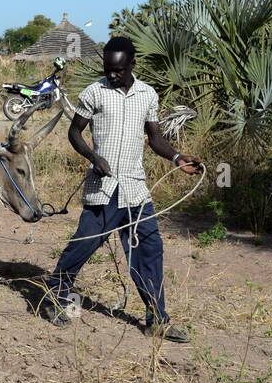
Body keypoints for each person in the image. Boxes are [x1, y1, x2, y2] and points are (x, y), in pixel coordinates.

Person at [45, 36, 202, 341]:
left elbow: (154, 139)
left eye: (117, 69)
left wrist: (177, 157)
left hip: (135, 189)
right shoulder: (95, 92)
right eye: (108, 69)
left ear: (132, 64)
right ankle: (53, 296)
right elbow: (74, 132)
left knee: (150, 250)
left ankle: (157, 319)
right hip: (103, 189)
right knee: (85, 244)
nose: (112, 75)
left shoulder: (148, 95)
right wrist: (93, 156)